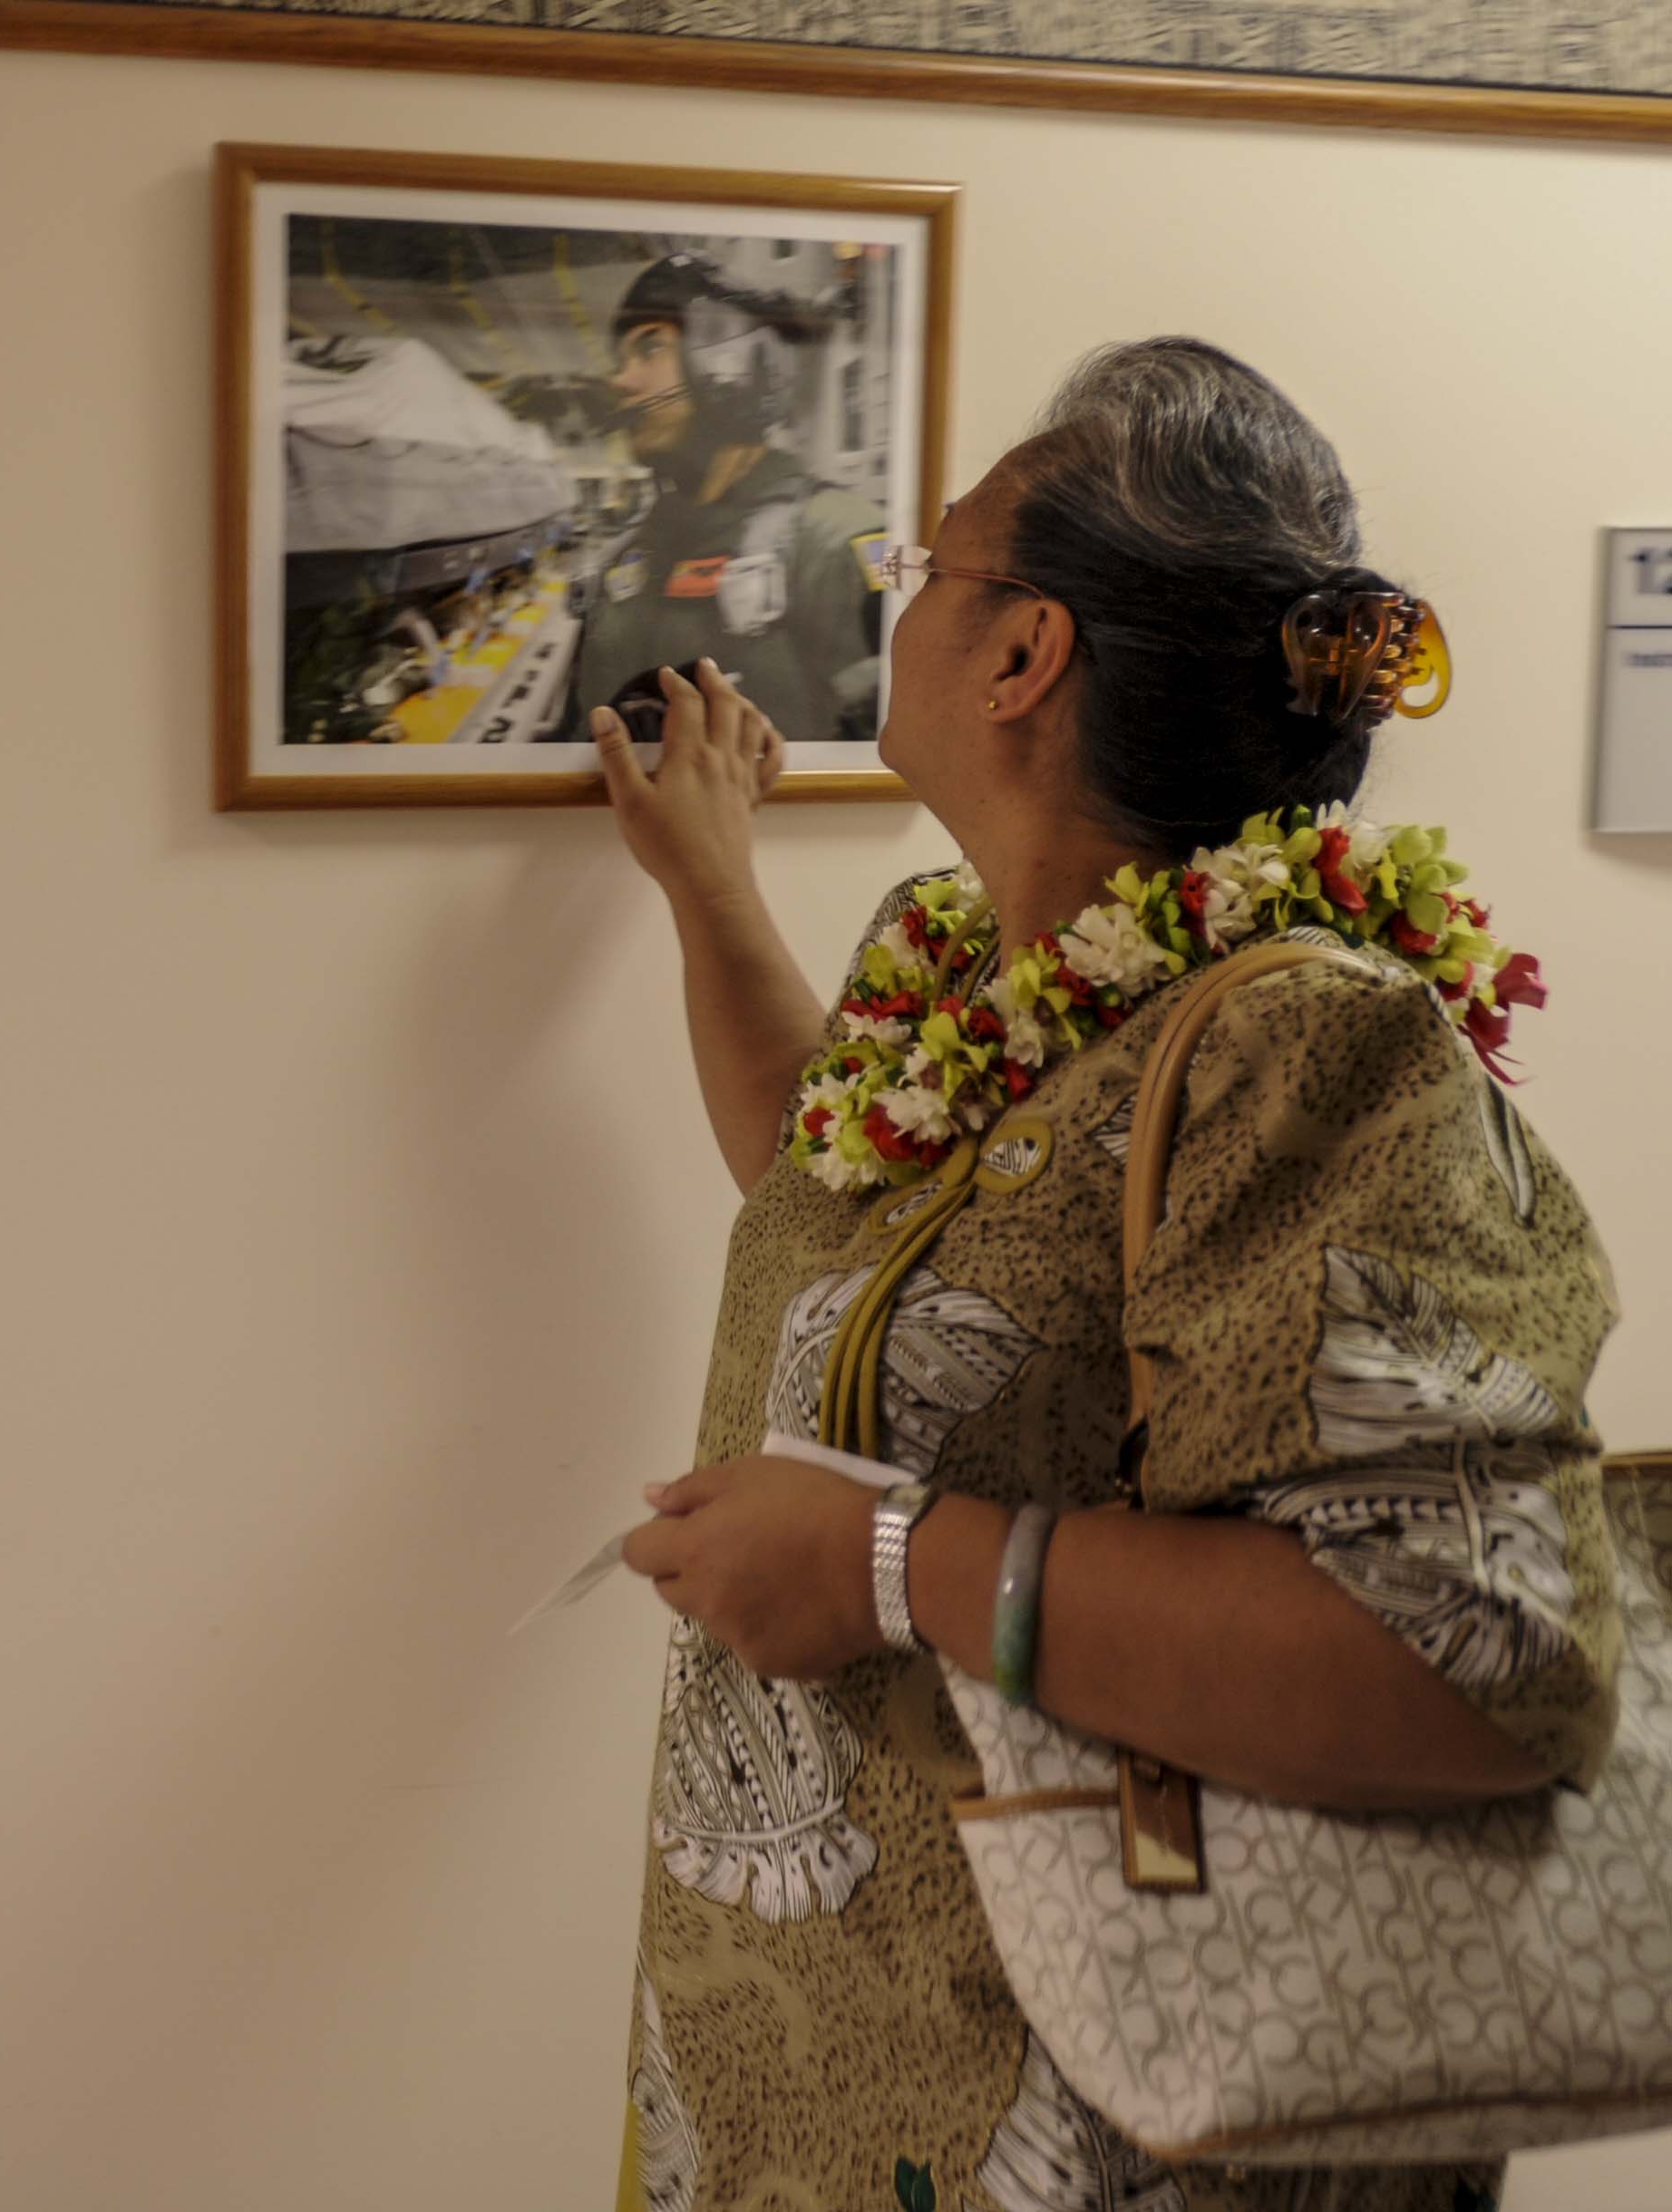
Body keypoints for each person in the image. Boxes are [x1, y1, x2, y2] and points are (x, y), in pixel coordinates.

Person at [589, 338, 1618, 2212]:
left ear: (1019, 655)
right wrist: (711, 888)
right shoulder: (965, 960)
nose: (900, 593)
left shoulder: (1304, 1046)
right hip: (834, 2063)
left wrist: (879, 1557)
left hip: (1122, 2120)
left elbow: (1471, 1657)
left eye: (939, 563)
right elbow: (856, 1224)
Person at [573, 250, 888, 744]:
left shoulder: (834, 542)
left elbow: (883, 757)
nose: (621, 380)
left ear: (731, 365)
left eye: (649, 349)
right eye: (622, 360)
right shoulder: (630, 559)